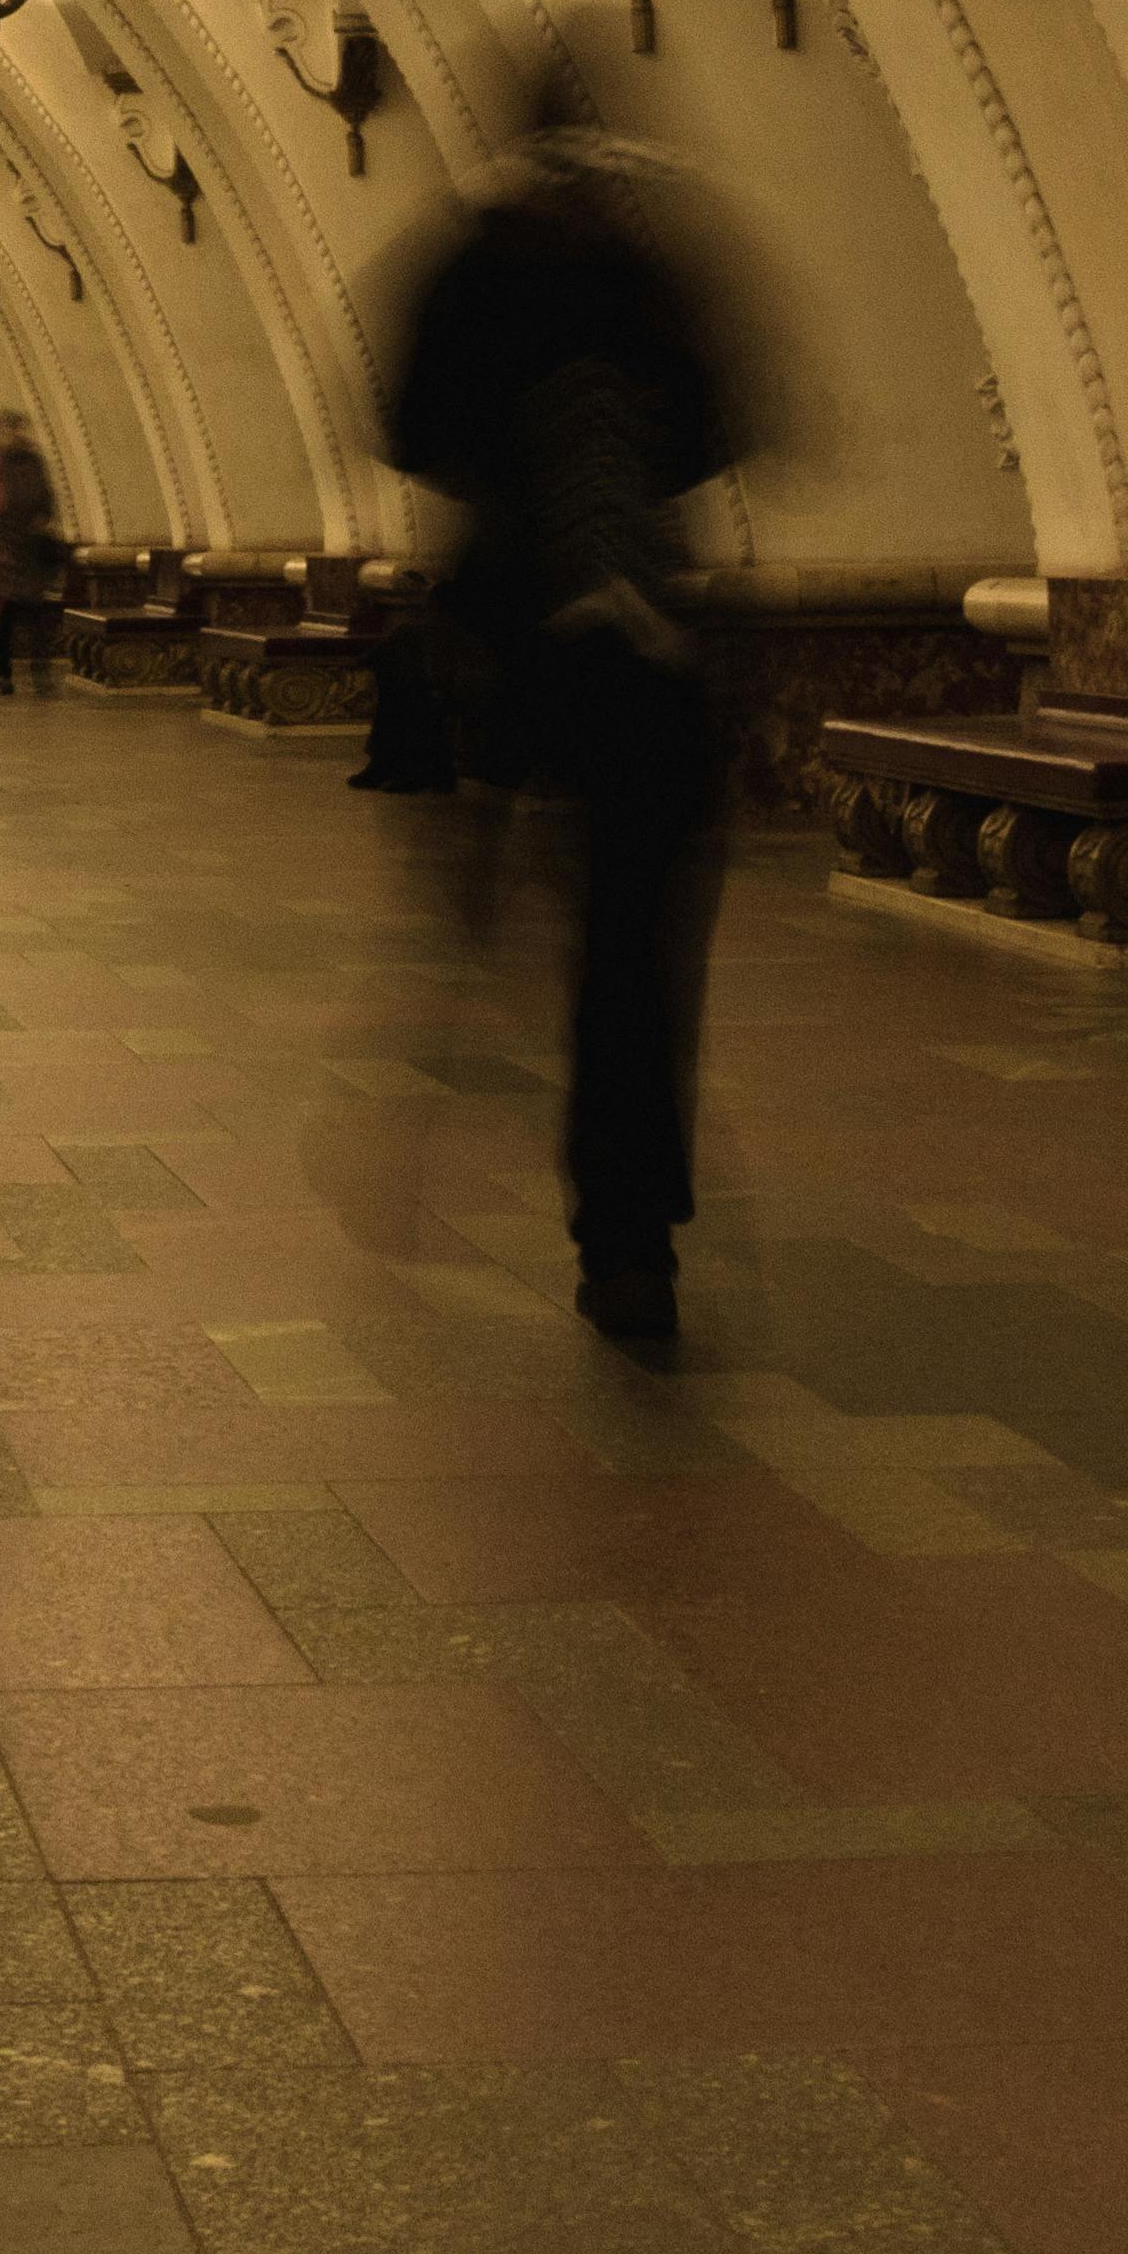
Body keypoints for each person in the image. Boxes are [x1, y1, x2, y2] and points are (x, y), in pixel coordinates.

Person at [380, 116, 751, 1343]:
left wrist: (515, 477)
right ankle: (632, 1229)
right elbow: (726, 418)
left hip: (529, 636)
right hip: (641, 633)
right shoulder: (644, 261)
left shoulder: (474, 265)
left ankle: (627, 1227)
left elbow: (406, 427)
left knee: (600, 938)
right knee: (635, 949)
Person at [0, 413, 67, 696]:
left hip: (31, 551)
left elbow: (48, 498)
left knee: (36, 615)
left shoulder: (34, 462)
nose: (15, 433)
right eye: (9, 428)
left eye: (18, 428)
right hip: (3, 552)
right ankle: (2, 674)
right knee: (5, 615)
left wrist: (44, 518)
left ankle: (40, 672)